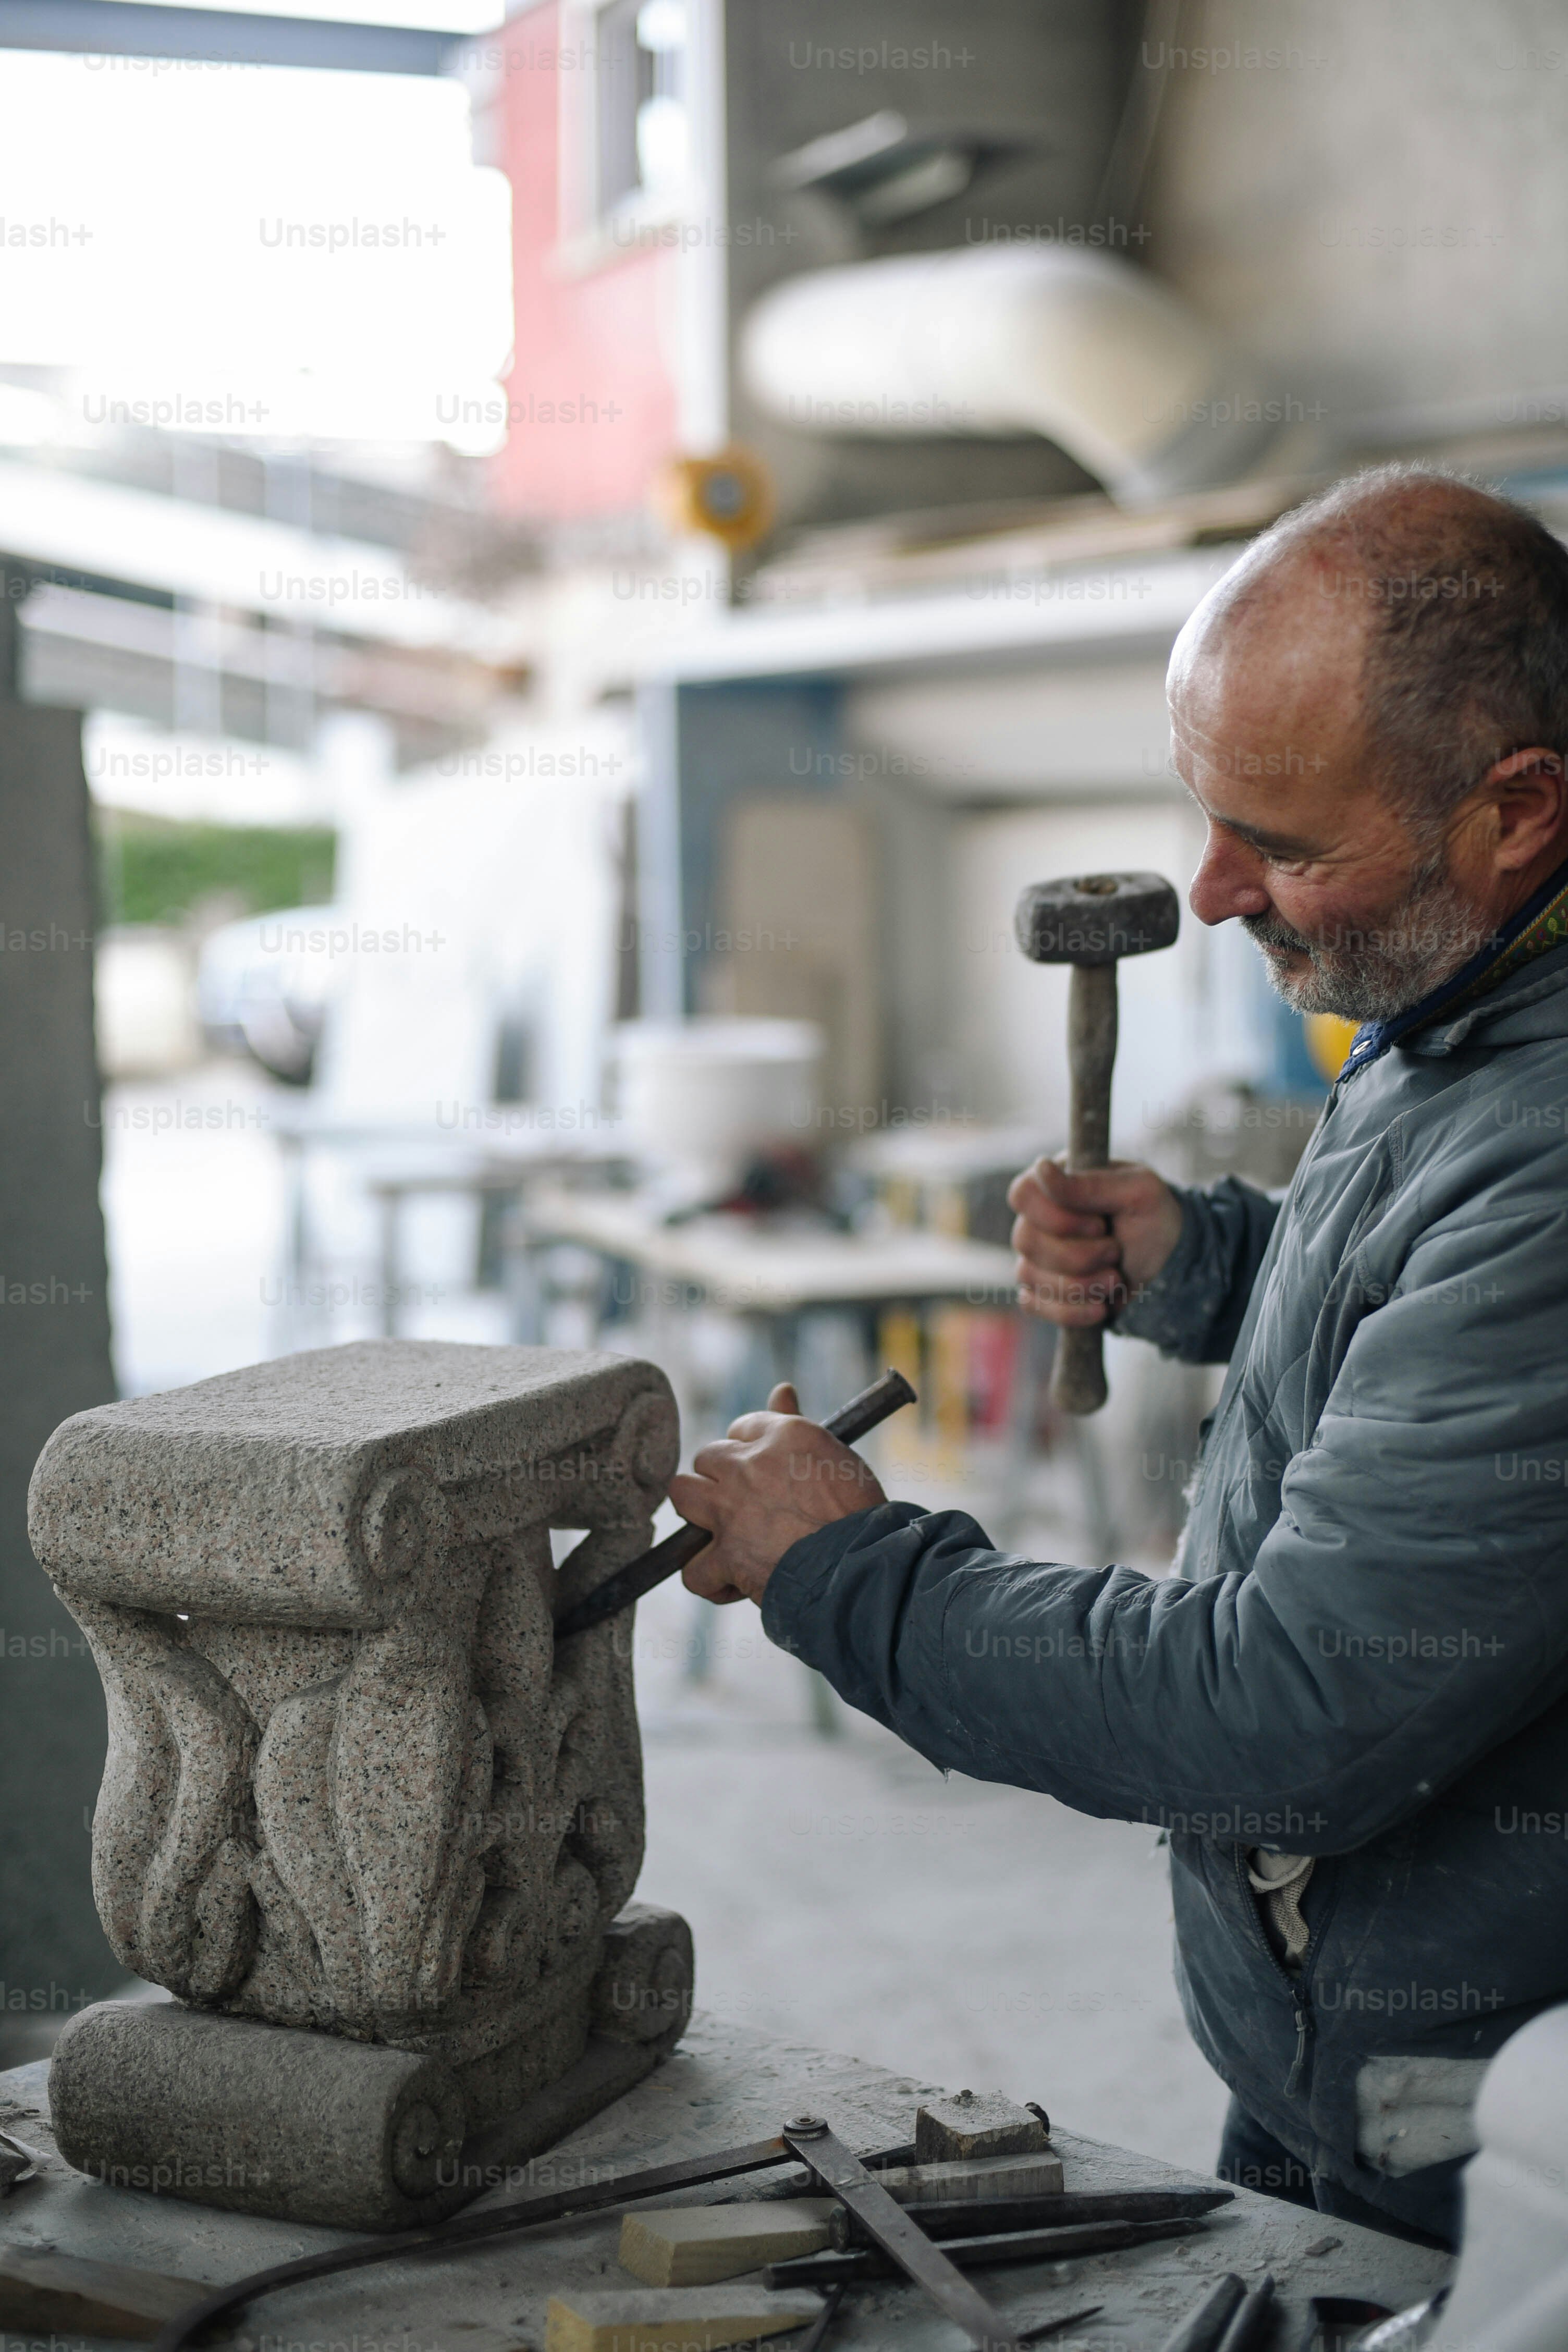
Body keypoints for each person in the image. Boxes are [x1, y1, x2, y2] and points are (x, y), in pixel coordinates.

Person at [668, 468, 1568, 2250]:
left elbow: (1285, 1711)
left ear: (1516, 811)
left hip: (1472, 2145)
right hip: (1327, 2056)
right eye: (1207, 816)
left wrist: (860, 1574)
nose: (1217, 889)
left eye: (1287, 844)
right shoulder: (1455, 997)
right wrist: (1212, 1258)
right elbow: (1424, 1300)